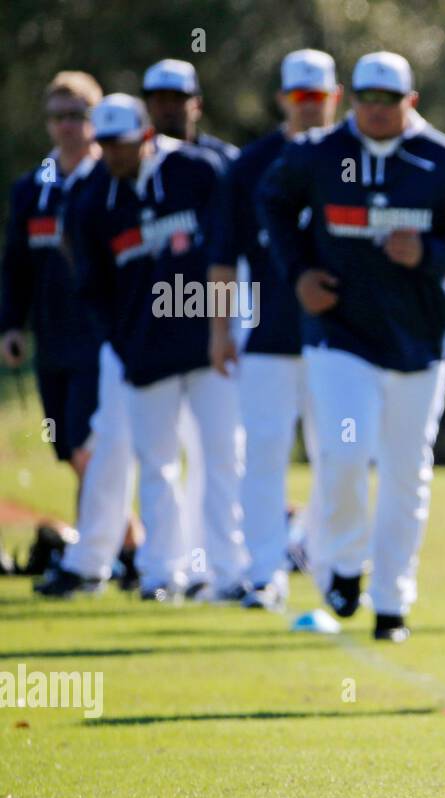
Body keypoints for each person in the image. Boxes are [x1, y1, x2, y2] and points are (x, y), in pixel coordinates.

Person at [258, 52, 445, 641]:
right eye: (366, 98)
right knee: (342, 454)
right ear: (351, 97)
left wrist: (430, 255)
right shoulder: (318, 153)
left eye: (389, 100)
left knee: (408, 475)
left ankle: (392, 603)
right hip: (340, 334)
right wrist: (298, 274)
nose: (376, 110)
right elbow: (273, 205)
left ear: (411, 102)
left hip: (418, 342)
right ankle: (341, 563)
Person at [70, 93, 248, 602]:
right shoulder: (92, 200)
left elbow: (227, 248)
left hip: (207, 344)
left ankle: (227, 570)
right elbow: (92, 287)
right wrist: (122, 342)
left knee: (221, 457)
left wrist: (228, 326)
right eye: (105, 145)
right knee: (157, 463)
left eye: (121, 144)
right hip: (144, 355)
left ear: (146, 136)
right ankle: (159, 572)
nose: (113, 154)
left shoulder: (197, 171)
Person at [208, 49, 339, 612]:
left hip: (340, 340)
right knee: (262, 457)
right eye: (299, 98)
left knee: (340, 455)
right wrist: (219, 330)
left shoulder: (354, 156)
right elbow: (221, 256)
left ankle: (333, 566)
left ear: (334, 97)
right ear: (284, 99)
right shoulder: (251, 164)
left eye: (318, 97)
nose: (309, 107)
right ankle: (265, 570)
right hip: (266, 337)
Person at [1, 72, 105, 531]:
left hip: (99, 338)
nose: (66, 127)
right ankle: (120, 542)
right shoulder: (31, 189)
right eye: (58, 117)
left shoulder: (109, 181)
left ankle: (95, 550)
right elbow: (16, 264)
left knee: (88, 445)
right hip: (51, 337)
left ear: (95, 120)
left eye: (76, 116)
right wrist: (11, 325)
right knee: (65, 445)